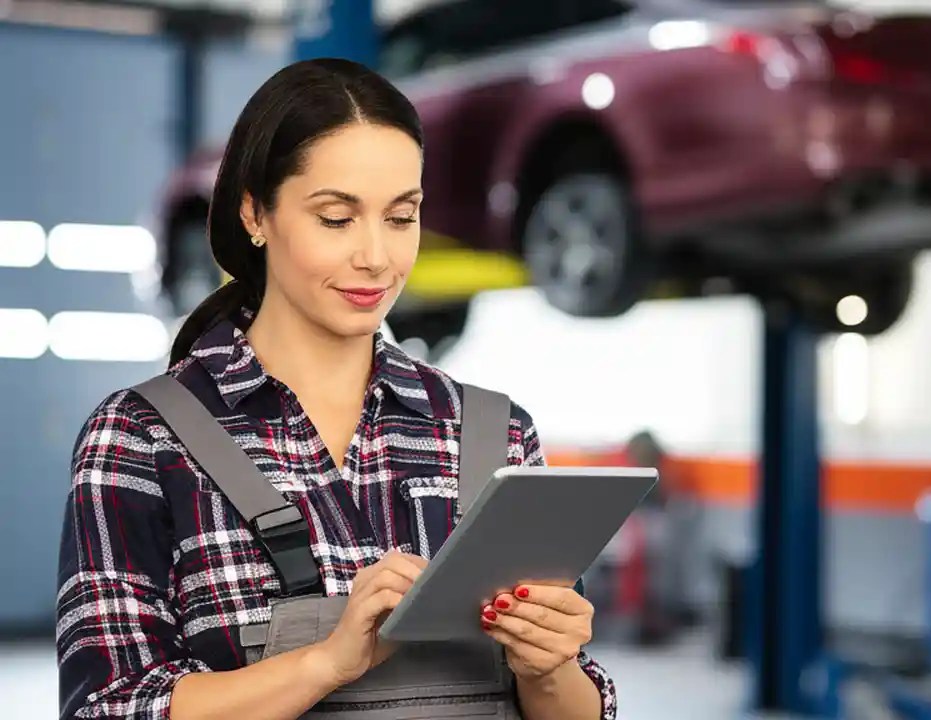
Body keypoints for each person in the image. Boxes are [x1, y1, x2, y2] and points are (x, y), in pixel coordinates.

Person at [55, 58, 615, 720]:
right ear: (254, 213)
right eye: (336, 218)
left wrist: (548, 668)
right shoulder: (141, 439)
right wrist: (325, 663)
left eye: (400, 217)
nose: (376, 257)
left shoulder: (495, 435)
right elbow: (107, 707)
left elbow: (577, 705)